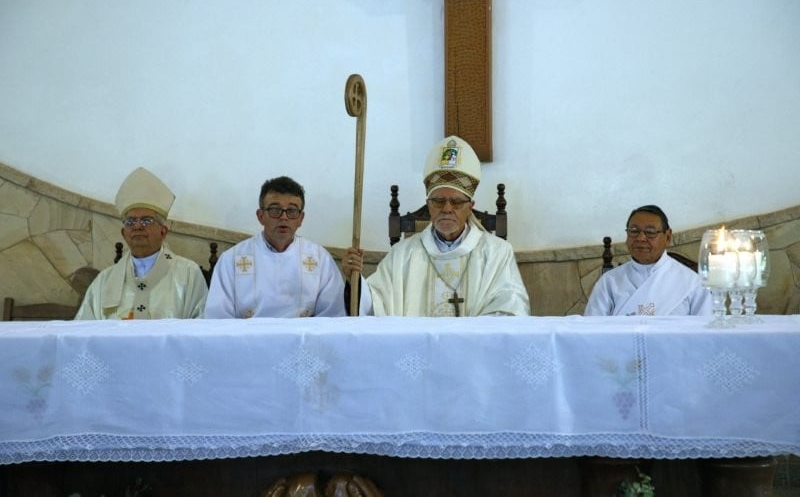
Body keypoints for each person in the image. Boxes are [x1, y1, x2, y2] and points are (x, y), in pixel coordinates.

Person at [343, 135, 530, 317]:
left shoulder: (497, 253)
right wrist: (354, 279)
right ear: (428, 204)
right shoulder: (402, 255)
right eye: (438, 201)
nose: (447, 209)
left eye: (456, 202)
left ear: (470, 207)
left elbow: (510, 307)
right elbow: (375, 305)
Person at [203, 176, 346, 318]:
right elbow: (218, 318)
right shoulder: (232, 260)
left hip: (303, 339)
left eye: (292, 211)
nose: (283, 217)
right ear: (260, 216)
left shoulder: (320, 259)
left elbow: (331, 315)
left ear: (301, 219)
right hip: (249, 339)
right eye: (275, 210)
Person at [76, 167, 208, 319]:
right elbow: (84, 332)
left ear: (163, 231)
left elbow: (201, 327)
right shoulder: (104, 281)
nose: (137, 226)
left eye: (146, 220)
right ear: (124, 233)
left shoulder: (188, 274)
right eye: (130, 221)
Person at [584, 204, 712, 316]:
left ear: (667, 237)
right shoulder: (609, 282)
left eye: (650, 232)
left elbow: (704, 333)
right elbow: (592, 331)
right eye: (634, 231)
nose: (640, 238)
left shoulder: (692, 282)